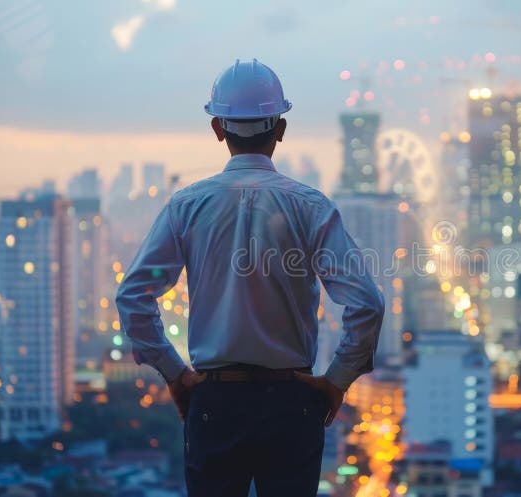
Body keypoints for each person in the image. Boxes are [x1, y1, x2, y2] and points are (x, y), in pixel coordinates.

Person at [115, 58, 385, 497]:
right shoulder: (311, 206)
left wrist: (173, 373)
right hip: (291, 402)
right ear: (280, 128)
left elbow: (133, 296)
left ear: (218, 129)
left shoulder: (187, 206)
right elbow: (367, 303)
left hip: (215, 402)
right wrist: (337, 379)